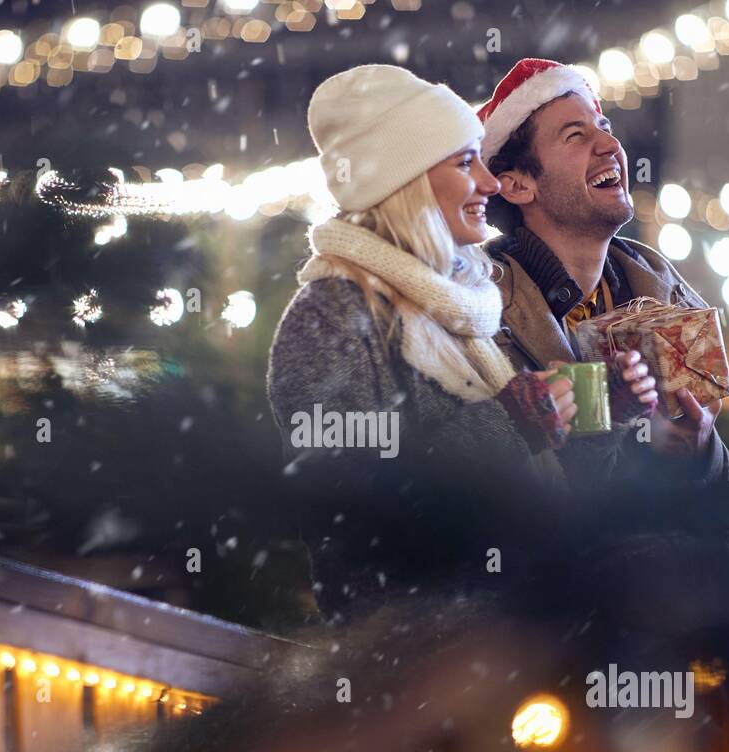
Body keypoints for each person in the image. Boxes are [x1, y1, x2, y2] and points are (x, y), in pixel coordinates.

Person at [267, 64, 654, 620]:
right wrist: (508, 422)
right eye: (466, 162)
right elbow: (349, 504)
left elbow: (546, 497)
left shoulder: (464, 304)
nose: (490, 184)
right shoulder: (333, 313)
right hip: (413, 659)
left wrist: (599, 416)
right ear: (409, 180)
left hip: (518, 640)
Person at [478, 57, 729, 486]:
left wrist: (700, 449)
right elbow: (474, 491)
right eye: (575, 135)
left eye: (606, 128)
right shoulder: (478, 312)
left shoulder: (663, 286)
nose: (609, 145)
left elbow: (720, 485)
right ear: (519, 185)